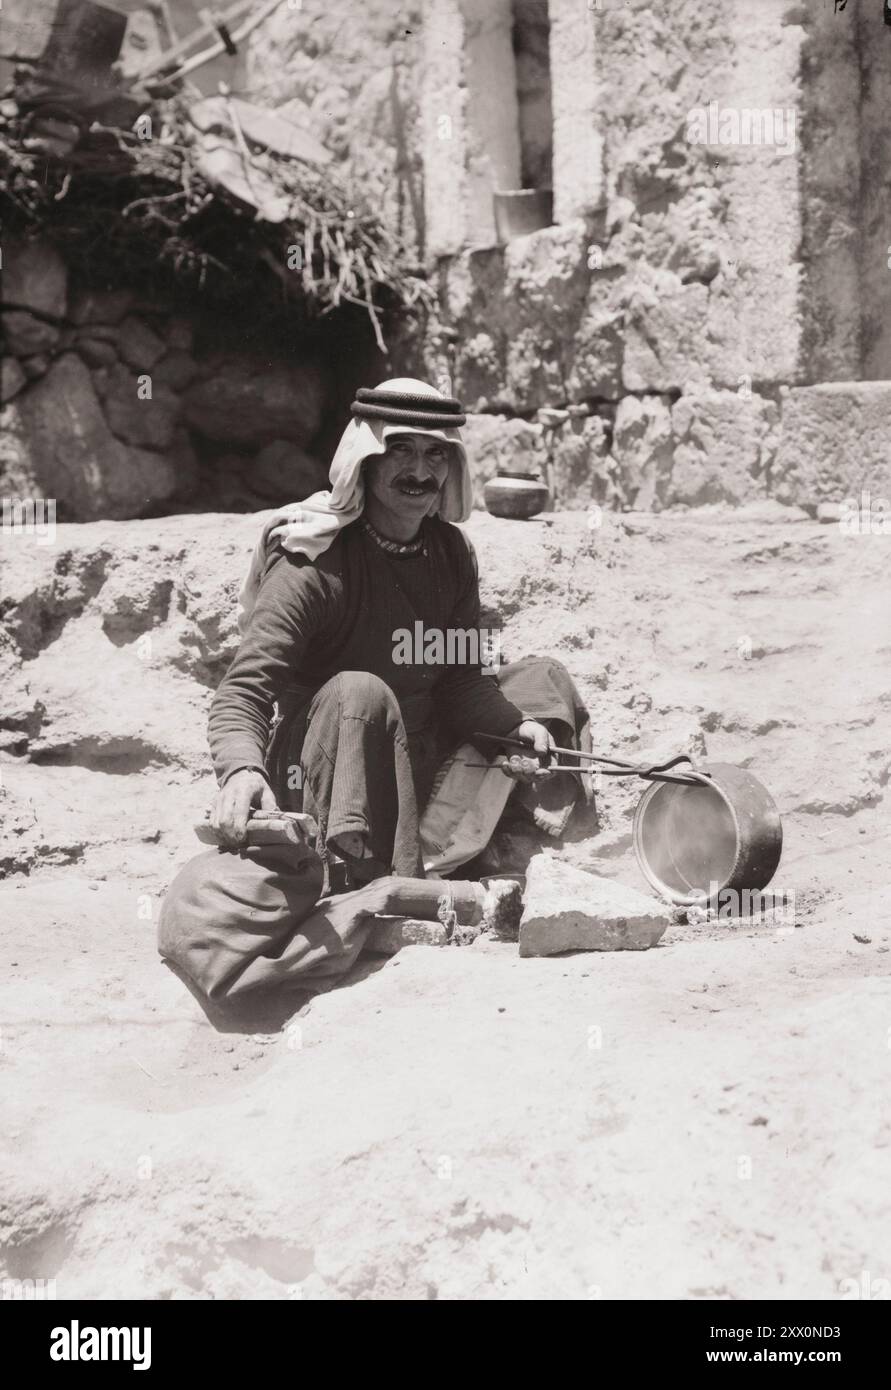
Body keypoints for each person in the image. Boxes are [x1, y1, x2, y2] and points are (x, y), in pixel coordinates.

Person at [159, 378, 592, 1001]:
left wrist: (514, 727)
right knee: (362, 692)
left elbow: (460, 681)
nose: (420, 471)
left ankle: (480, 855)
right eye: (402, 452)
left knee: (540, 682)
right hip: (331, 760)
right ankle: (371, 883)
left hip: (415, 752)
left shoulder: (449, 551)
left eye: (435, 454)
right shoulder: (314, 561)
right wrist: (239, 772)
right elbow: (246, 689)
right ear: (367, 459)